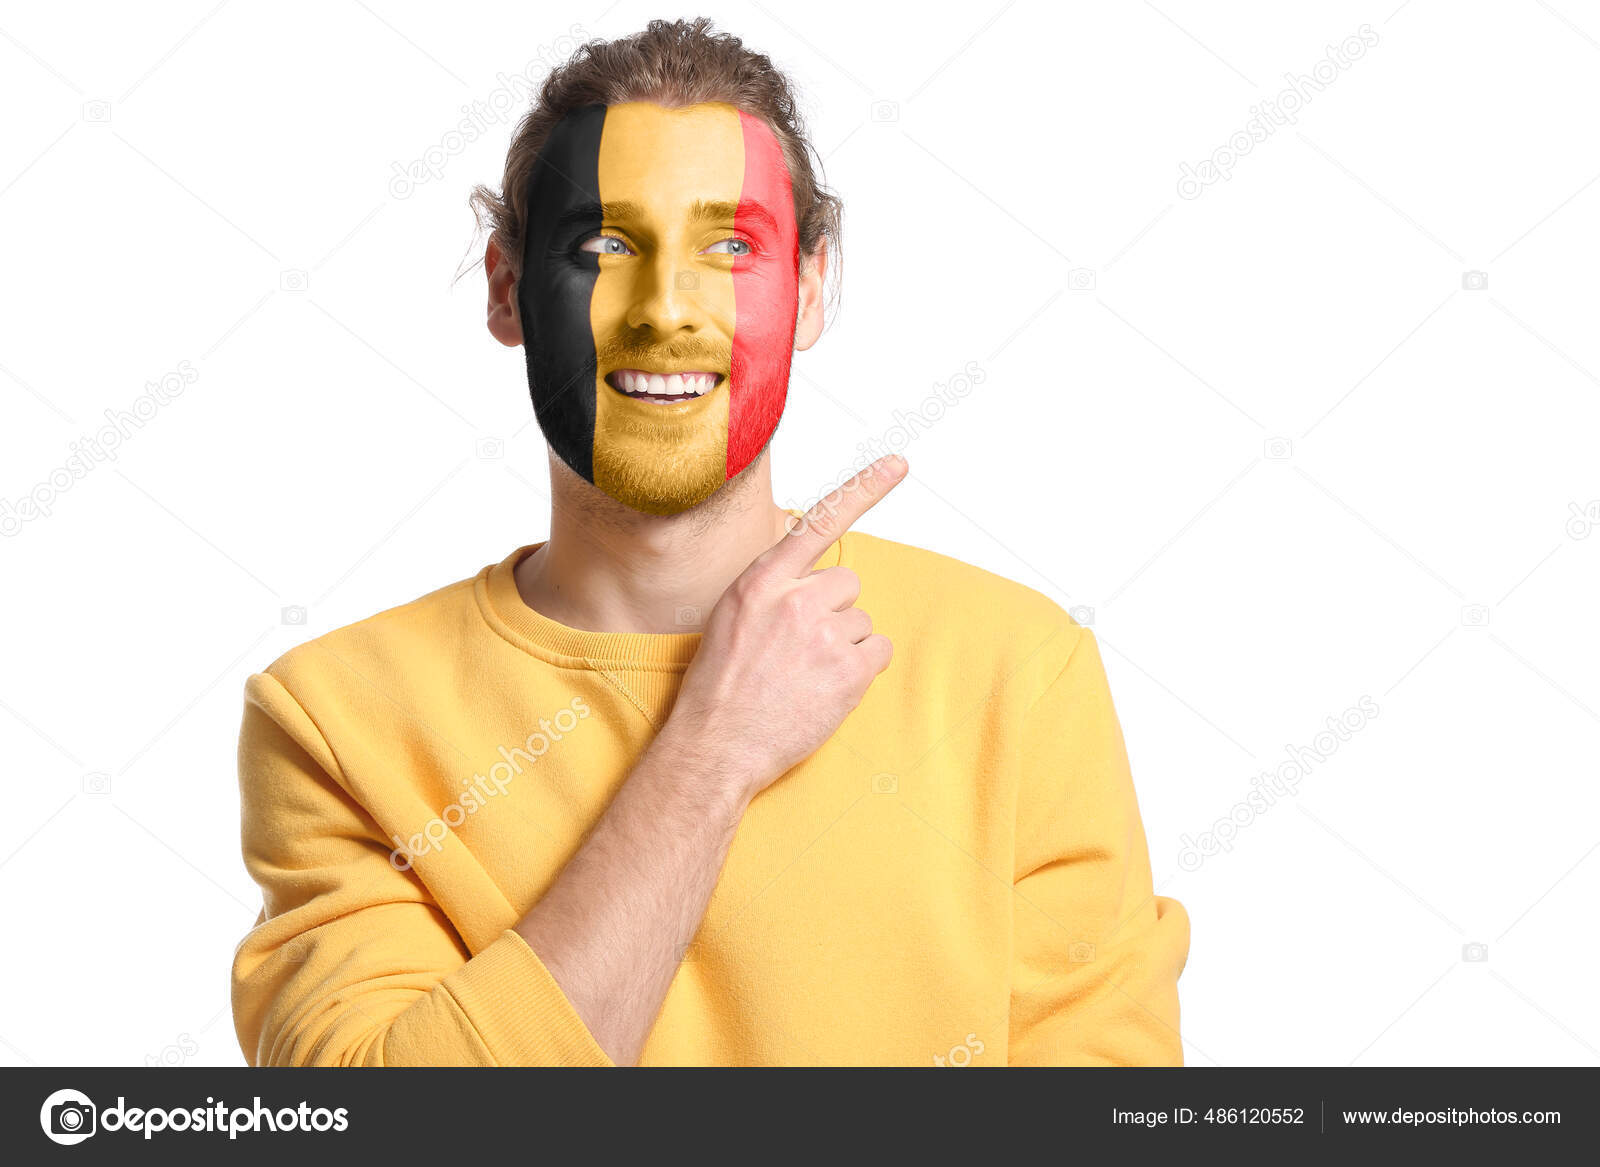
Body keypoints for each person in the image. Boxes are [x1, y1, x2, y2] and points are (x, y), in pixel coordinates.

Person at [230, 17, 1189, 1067]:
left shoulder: (1014, 668)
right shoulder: (334, 718)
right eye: (605, 246)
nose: (666, 310)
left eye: (729, 247)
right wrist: (712, 754)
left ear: (813, 288)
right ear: (507, 289)